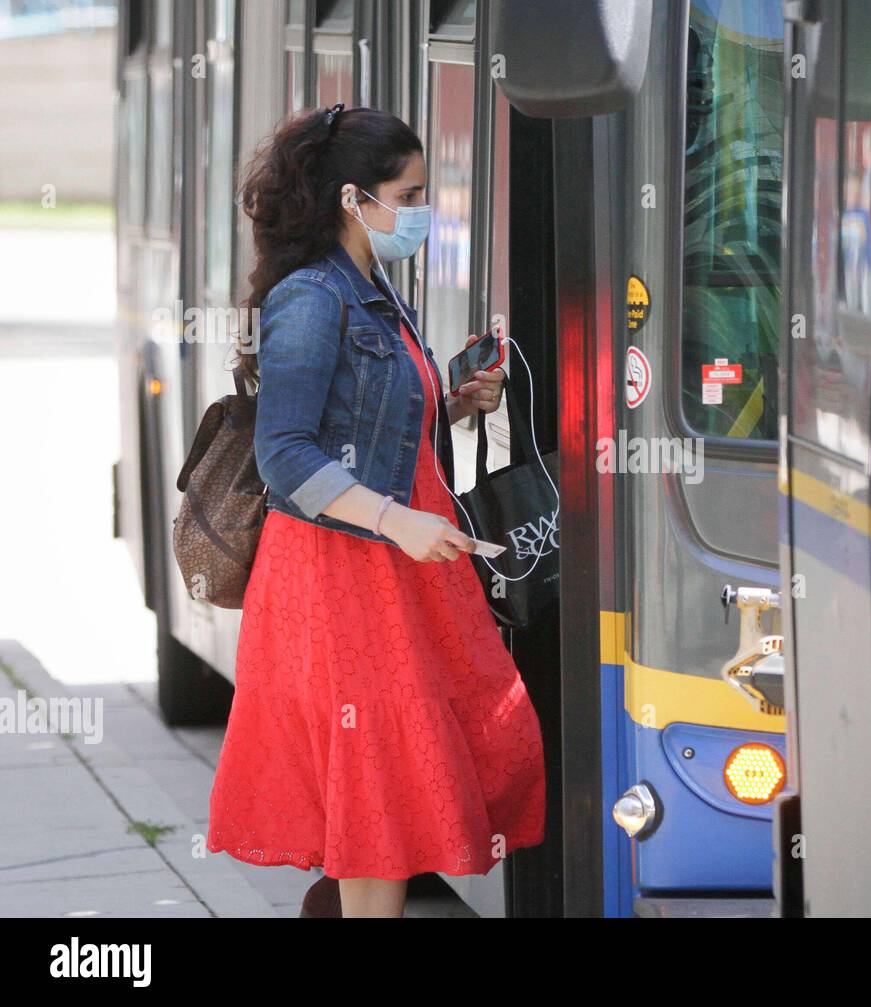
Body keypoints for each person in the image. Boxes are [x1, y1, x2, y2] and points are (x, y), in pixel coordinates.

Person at [204, 103, 546, 918]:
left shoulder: (373, 285)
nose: (424, 210)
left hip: (394, 568)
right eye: (413, 191)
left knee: (401, 775)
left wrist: (454, 402)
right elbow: (286, 455)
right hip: (343, 575)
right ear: (356, 199)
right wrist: (398, 522)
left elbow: (368, 426)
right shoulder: (314, 299)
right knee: (378, 784)